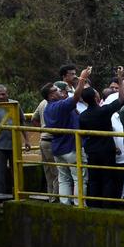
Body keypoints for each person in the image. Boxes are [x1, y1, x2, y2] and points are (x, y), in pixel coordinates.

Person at [79, 69, 124, 207]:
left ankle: (93, 203)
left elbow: (83, 134)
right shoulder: (104, 111)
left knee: (93, 178)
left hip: (92, 150)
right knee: (107, 177)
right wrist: (120, 78)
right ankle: (107, 203)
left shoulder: (82, 116)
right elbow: (122, 99)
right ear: (96, 98)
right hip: (106, 149)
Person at [45, 66, 92, 205]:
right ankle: (79, 204)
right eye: (56, 91)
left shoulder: (48, 108)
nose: (59, 91)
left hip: (58, 148)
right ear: (51, 95)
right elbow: (76, 97)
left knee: (63, 178)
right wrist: (82, 78)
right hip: (71, 146)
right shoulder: (60, 105)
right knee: (79, 177)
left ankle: (65, 204)